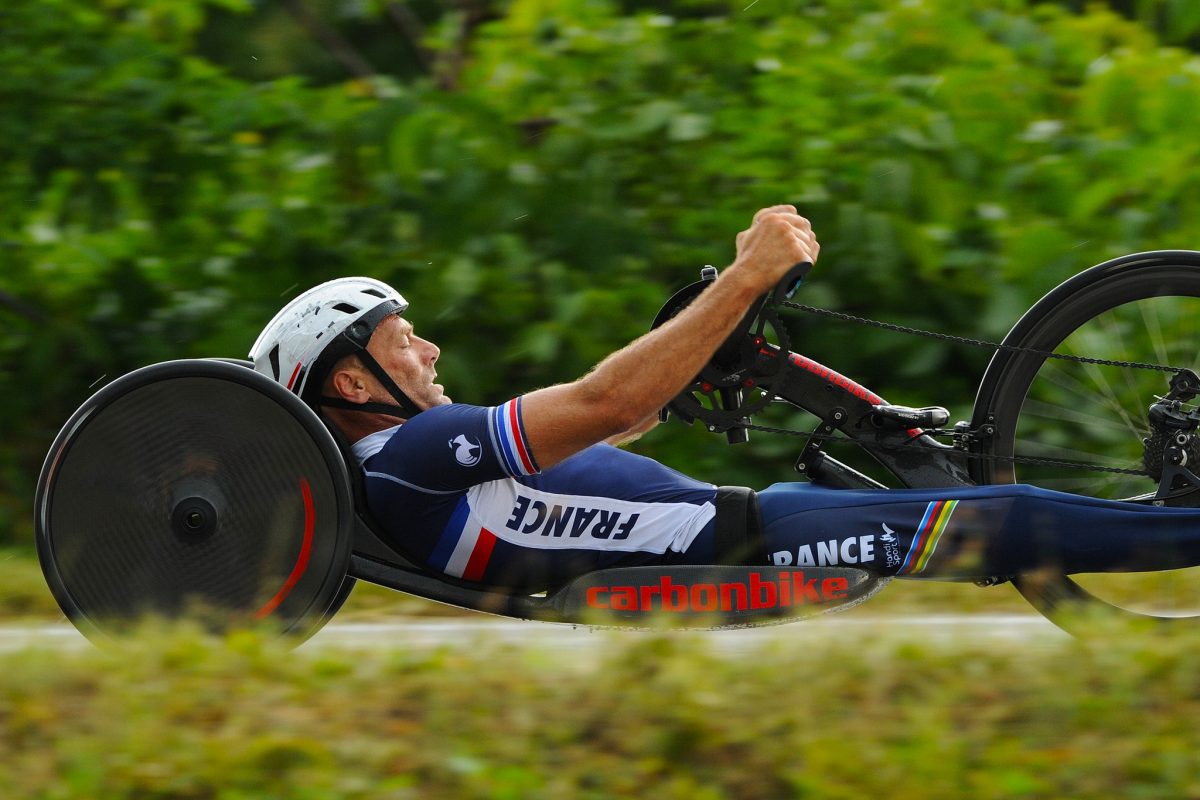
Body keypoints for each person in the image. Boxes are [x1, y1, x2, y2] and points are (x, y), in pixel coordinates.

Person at [250, 205, 1200, 593]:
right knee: (1010, 517)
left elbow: (615, 421)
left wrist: (707, 348)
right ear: (349, 382)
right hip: (754, 541)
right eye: (401, 342)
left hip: (744, 529)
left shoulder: (420, 470)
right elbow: (600, 398)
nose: (429, 347)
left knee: (983, 500)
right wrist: (742, 278)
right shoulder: (416, 459)